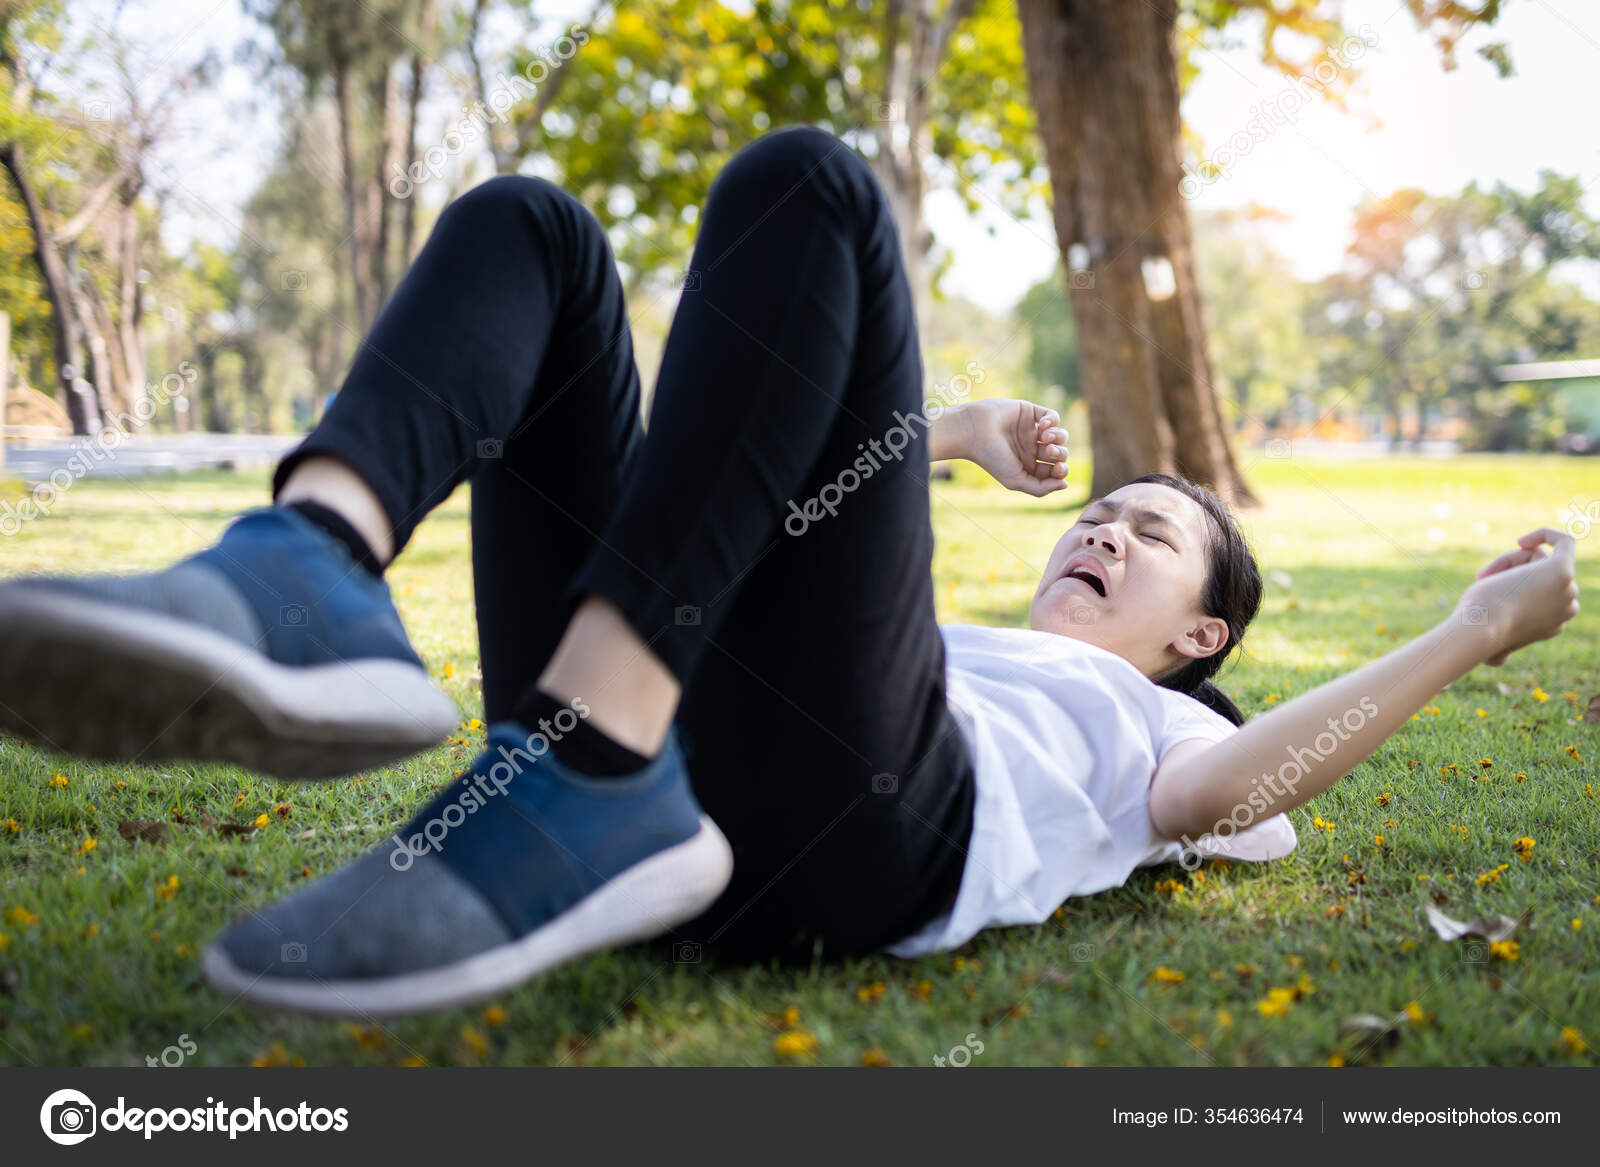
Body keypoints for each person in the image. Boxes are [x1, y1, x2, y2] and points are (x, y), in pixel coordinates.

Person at [0, 127, 1579, 1018]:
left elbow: (1237, 799)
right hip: (707, 745)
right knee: (534, 225)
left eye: (1149, 535)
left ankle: (589, 773)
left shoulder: (1157, 726)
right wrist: (946, 431)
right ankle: (308, 557)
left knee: (813, 185)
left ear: (1203, 633)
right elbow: (748, 524)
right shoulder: (941, 645)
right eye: (1097, 513)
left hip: (855, 849)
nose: (1102, 530)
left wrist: (1473, 627)